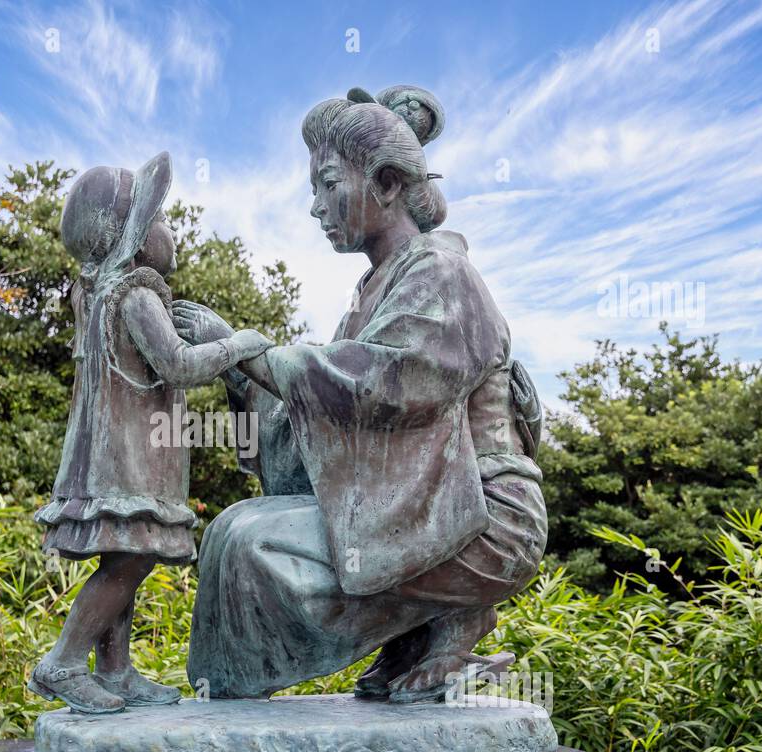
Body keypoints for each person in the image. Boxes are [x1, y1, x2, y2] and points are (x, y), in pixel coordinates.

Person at [172, 86, 547, 703]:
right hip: (422, 505)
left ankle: (231, 712)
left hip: (480, 514)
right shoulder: (372, 294)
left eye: (328, 185)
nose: (317, 207)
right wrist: (240, 371)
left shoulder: (444, 274)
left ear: (390, 184)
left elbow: (381, 385)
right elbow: (327, 409)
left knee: (247, 544)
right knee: (239, 531)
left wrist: (249, 351)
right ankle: (427, 632)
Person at [31, 151, 273, 714]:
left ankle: (115, 671)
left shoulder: (94, 292)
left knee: (124, 558)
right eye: (157, 219)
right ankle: (63, 662)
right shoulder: (135, 294)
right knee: (130, 561)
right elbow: (180, 365)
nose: (167, 230)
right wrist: (238, 343)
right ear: (131, 233)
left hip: (111, 454)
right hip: (131, 459)